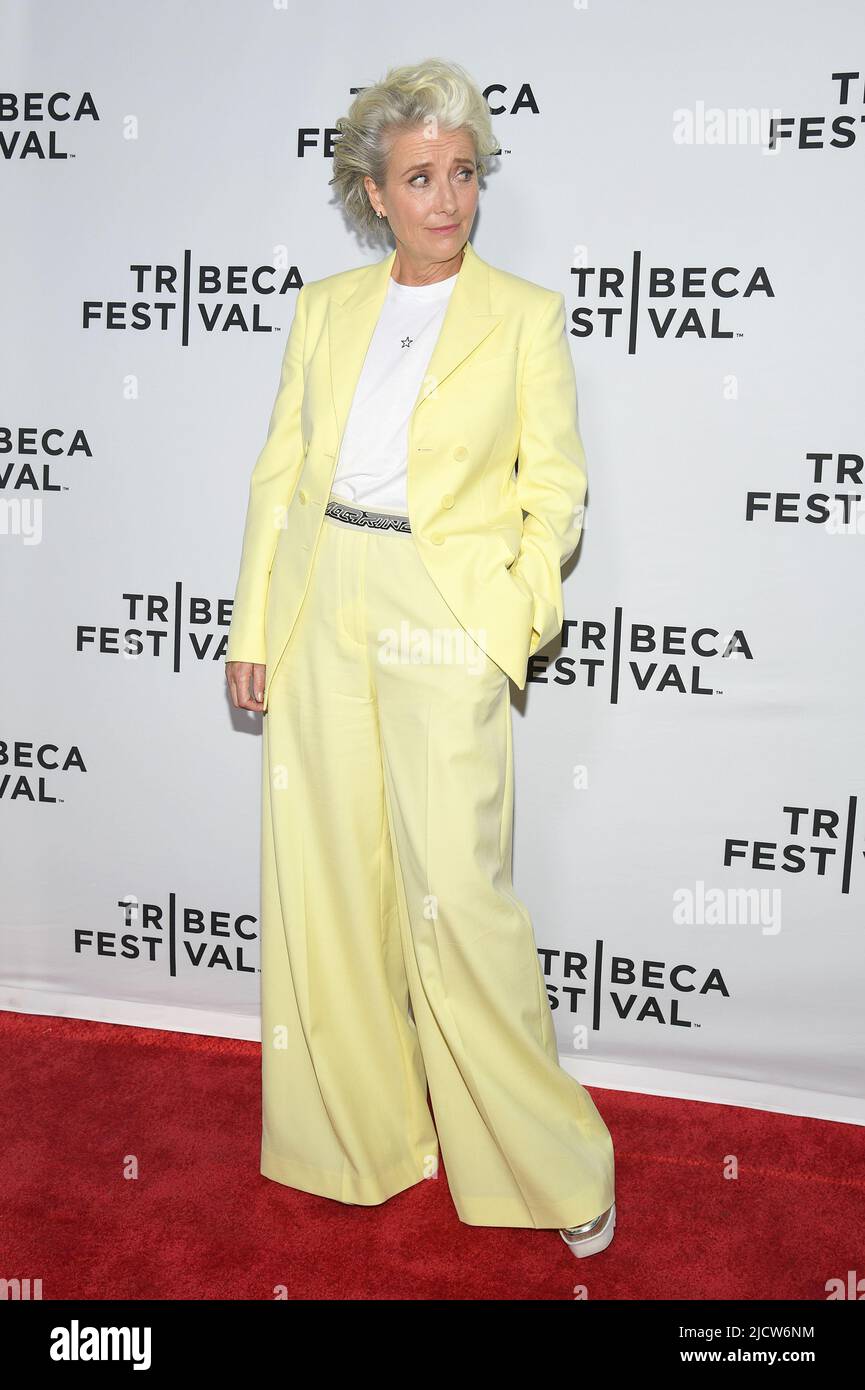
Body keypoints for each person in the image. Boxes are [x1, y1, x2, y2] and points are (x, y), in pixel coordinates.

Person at [225, 57, 616, 1260]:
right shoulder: (325, 308)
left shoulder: (523, 314)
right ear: (373, 191)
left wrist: (510, 611)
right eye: (419, 178)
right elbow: (280, 474)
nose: (447, 199)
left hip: (446, 607)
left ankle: (551, 1168)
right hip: (323, 593)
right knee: (332, 886)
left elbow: (555, 492)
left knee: (459, 897)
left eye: (462, 174)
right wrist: (253, 625)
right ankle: (365, 1140)